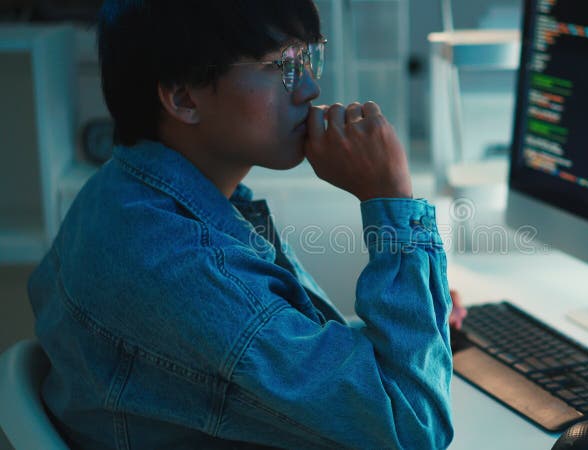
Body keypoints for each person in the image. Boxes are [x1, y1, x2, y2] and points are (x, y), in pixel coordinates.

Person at [27, 0, 465, 448]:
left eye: (307, 57)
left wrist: (413, 324)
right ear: (183, 97)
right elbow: (414, 428)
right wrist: (387, 197)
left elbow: (271, 346)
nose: (310, 89)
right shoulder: (187, 266)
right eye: (281, 66)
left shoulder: (128, 194)